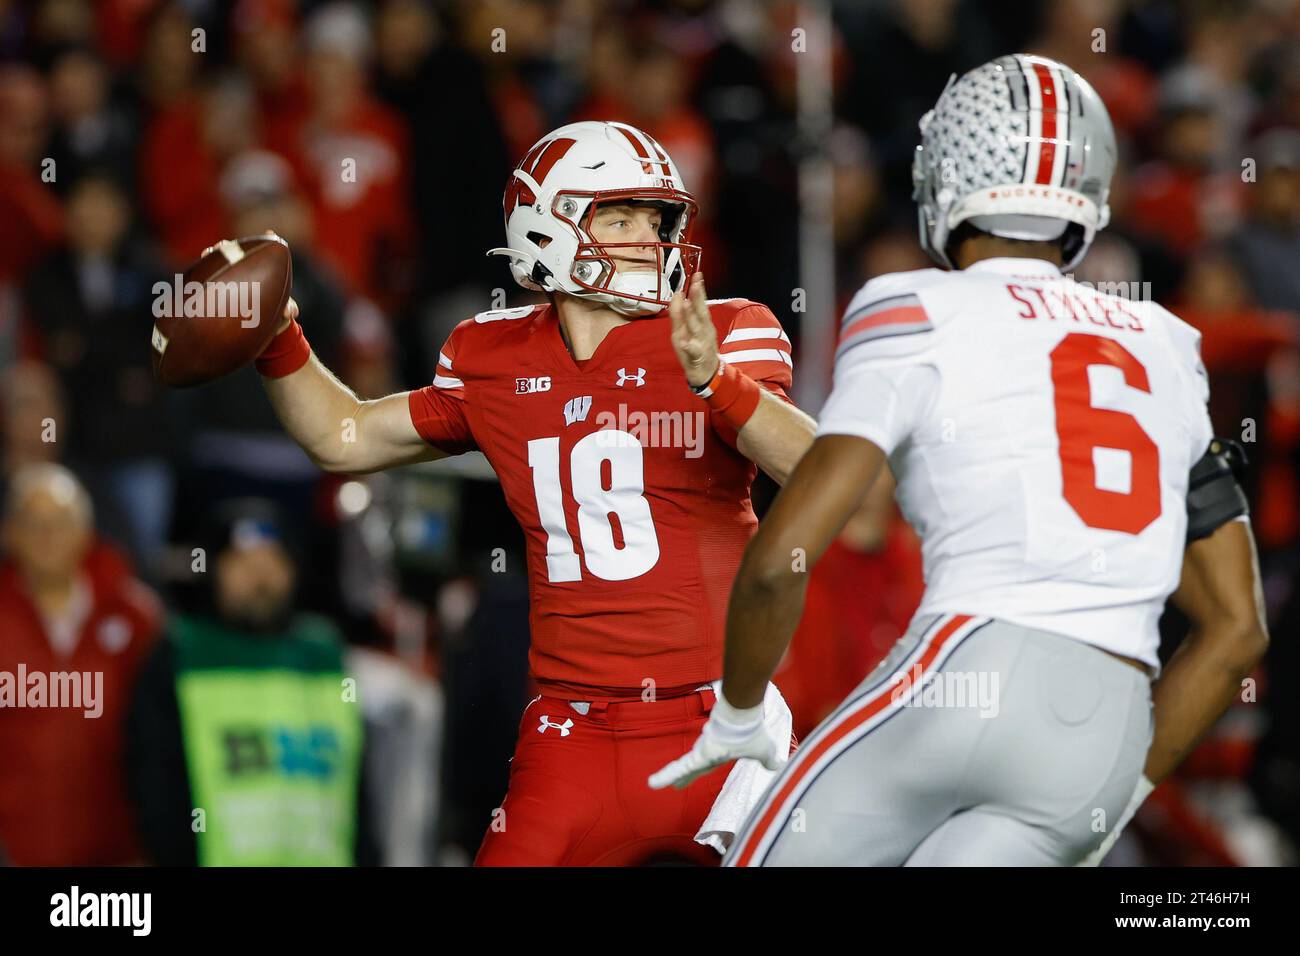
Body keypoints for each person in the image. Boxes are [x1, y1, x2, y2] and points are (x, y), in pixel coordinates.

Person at [652, 54, 1270, 867]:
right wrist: (1118, 789)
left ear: (947, 171)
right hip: (1105, 729)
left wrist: (736, 711)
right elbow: (1237, 630)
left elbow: (781, 558)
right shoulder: (1167, 344)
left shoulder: (909, 304)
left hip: (971, 672)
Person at [245, 119, 816, 865]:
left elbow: (815, 467)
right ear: (547, 230)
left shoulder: (725, 333)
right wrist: (275, 337)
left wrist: (718, 383)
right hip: (571, 736)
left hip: (722, 722)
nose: (650, 239)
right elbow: (343, 436)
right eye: (620, 218)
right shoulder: (493, 356)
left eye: (657, 219)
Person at [125, 498, 373, 866]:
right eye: (242, 563)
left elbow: (357, 788)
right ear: (213, 571)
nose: (261, 578)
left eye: (274, 561)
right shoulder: (180, 652)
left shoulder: (323, 653)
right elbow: (156, 788)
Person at [0, 463, 160, 866]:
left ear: (86, 532)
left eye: (61, 521)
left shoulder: (135, 616)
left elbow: (159, 741)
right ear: (10, 533)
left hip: (115, 854)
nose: (48, 537)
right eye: (33, 523)